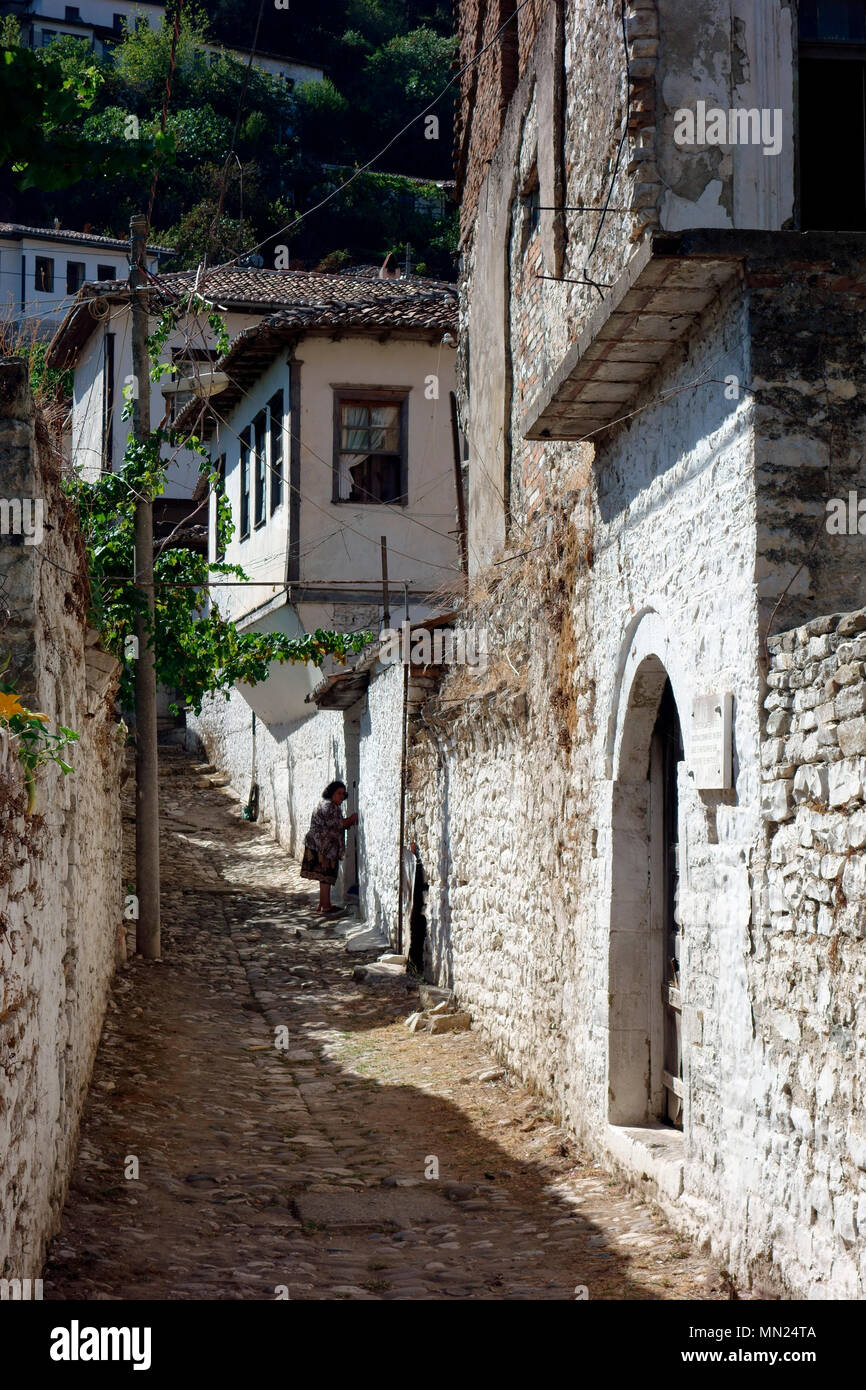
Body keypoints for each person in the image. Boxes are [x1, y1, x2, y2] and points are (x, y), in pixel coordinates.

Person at [300, 780, 358, 913]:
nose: (341, 796)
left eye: (343, 794)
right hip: (324, 847)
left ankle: (323, 903)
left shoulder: (324, 804)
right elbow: (338, 824)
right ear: (331, 793)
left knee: (323, 876)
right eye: (338, 793)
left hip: (317, 844)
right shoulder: (330, 807)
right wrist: (352, 819)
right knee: (326, 875)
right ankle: (325, 905)